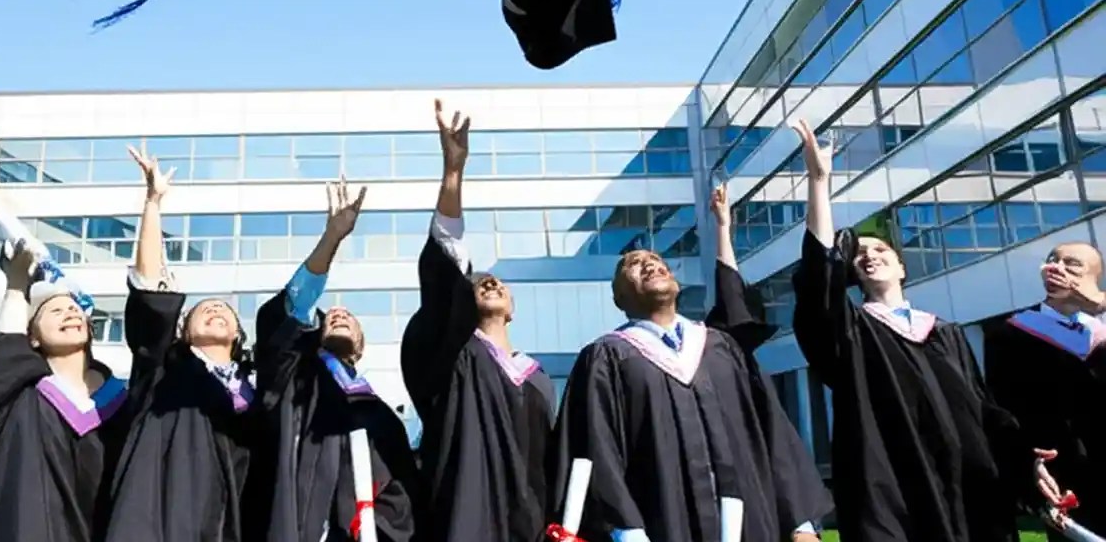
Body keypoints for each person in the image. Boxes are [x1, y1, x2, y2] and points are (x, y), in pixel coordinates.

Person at [788, 118, 1047, 542]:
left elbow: (984, 409)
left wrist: (1024, 456)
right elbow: (818, 280)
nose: (870, 257)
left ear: (902, 266)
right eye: (859, 256)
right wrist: (819, 181)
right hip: (894, 493)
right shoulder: (851, 332)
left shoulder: (945, 333)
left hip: (971, 494)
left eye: (881, 249)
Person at [548, 184, 831, 542]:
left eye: (658, 261)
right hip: (658, 528)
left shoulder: (720, 347)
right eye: (633, 264)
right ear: (619, 298)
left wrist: (799, 523)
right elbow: (594, 449)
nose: (649, 263)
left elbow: (771, 432)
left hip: (751, 526)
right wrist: (627, 530)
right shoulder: (606, 358)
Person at [401, 99, 556, 542]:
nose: (489, 284)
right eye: (478, 283)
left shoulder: (540, 378)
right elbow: (444, 268)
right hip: (463, 521)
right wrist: (453, 173)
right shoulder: (451, 356)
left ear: (513, 308)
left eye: (498, 284)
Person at [103, 146, 257, 542]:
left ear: (238, 335)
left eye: (224, 309)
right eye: (203, 309)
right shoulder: (164, 368)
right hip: (164, 517)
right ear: (183, 331)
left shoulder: (255, 391)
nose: (215, 310)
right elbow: (151, 292)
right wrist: (153, 204)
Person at [250, 178, 418, 542]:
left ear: (360, 345)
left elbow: (401, 495)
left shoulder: (381, 414)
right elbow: (293, 308)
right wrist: (332, 238)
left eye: (349, 318)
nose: (338, 315)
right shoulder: (292, 377)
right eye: (328, 317)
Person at [0, 242, 130, 542]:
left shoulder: (121, 402)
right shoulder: (20, 399)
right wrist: (15, 286)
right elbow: (5, 354)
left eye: (73, 308)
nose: (68, 313)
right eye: (54, 311)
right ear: (33, 338)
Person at [985, 241, 1104, 538]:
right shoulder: (1011, 332)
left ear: (1095, 277)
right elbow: (1004, 407)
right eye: (1053, 260)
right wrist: (1026, 459)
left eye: (1072, 264)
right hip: (1065, 471)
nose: (1057, 267)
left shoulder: (1100, 331)